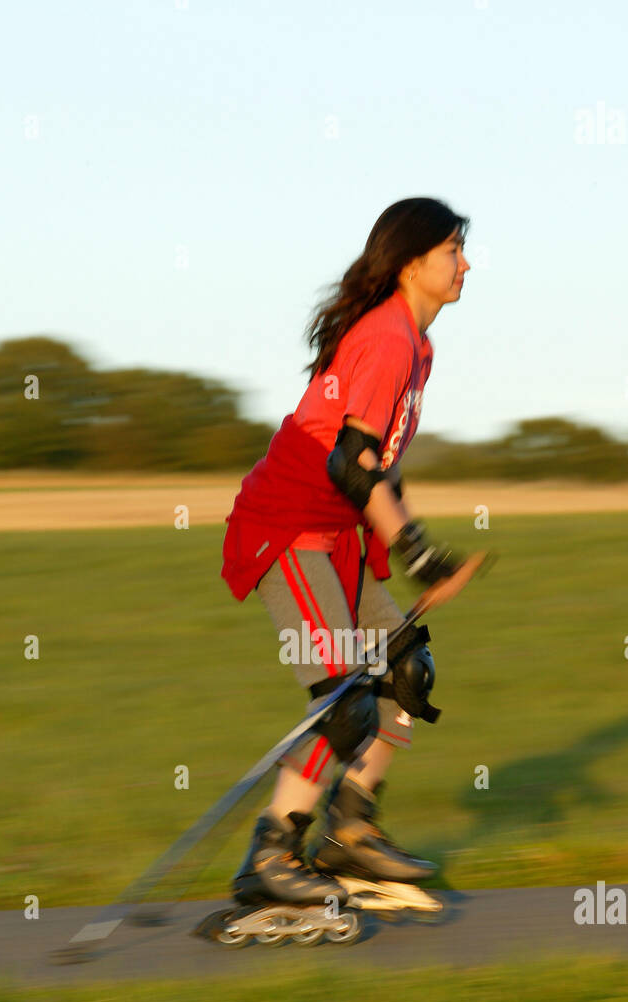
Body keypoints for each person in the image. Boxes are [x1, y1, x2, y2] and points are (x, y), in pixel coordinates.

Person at [221, 196, 471, 907]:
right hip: (290, 525)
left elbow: (381, 469)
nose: (466, 264)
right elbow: (348, 465)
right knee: (344, 703)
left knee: (405, 672)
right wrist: (418, 556)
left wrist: (421, 546)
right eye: (453, 250)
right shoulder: (391, 338)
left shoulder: (416, 345)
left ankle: (350, 831)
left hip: (338, 535)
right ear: (412, 263)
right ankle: (272, 852)